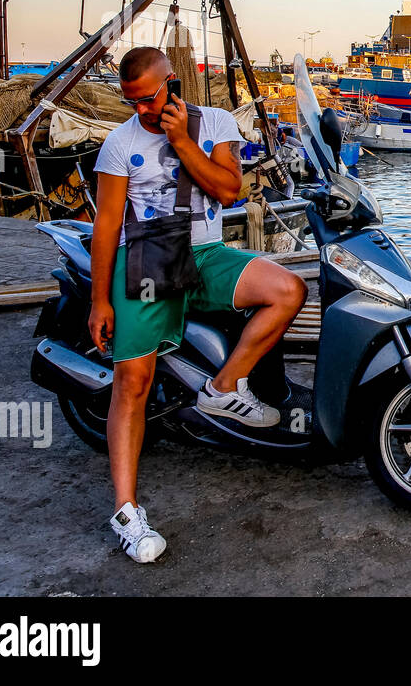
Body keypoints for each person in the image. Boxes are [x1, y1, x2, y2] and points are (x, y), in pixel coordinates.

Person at [88, 47, 307, 561]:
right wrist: (100, 300)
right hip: (146, 255)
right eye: (132, 102)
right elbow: (106, 226)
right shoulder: (119, 145)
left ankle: (223, 387)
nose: (140, 110)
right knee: (132, 382)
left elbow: (229, 191)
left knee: (288, 290)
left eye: (148, 98)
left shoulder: (217, 122)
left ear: (173, 83)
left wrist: (181, 139)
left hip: (205, 252)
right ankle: (127, 512)